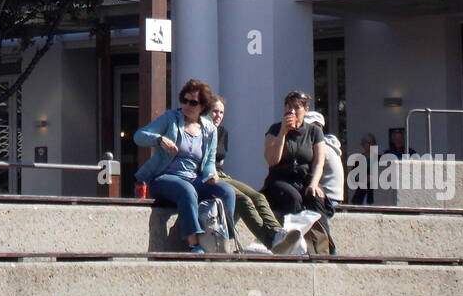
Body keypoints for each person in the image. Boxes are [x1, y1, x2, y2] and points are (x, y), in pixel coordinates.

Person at [134, 79, 239, 255]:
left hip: (193, 178)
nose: (187, 105)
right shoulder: (171, 119)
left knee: (227, 192)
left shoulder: (209, 129)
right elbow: (139, 136)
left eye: (193, 102)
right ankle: (194, 243)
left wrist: (212, 174)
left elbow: (209, 162)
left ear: (203, 106)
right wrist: (159, 139)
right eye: (185, 100)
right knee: (187, 190)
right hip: (163, 177)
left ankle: (222, 239)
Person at [210, 94, 298, 254]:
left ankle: (278, 234)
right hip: (208, 174)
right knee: (244, 200)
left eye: (221, 113)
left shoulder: (222, 132)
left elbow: (221, 160)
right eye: (215, 111)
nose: (218, 116)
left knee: (258, 197)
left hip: (221, 174)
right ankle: (272, 242)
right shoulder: (202, 131)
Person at [262, 91, 334, 220]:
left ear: (305, 110)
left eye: (297, 107)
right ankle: (295, 237)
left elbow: (319, 162)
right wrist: (283, 132)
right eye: (289, 107)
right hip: (281, 179)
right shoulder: (275, 129)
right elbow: (272, 160)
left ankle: (321, 239)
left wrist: (314, 183)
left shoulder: (314, 131)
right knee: (293, 199)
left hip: (305, 179)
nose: (292, 111)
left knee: (316, 198)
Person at [350, 133, 378, 205]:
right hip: (361, 194)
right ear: (363, 144)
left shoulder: (379, 159)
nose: (369, 145)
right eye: (366, 143)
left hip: (375, 194)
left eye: (371, 142)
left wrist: (373, 178)